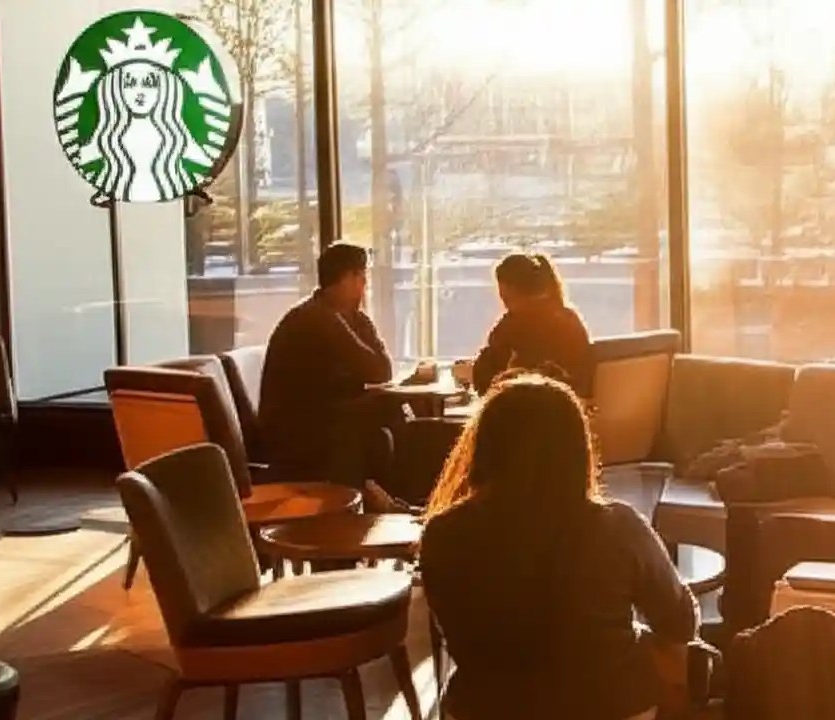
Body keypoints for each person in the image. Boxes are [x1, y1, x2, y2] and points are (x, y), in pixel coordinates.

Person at [420, 372, 700, 720]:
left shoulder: (442, 534)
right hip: (609, 707)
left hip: (487, 709)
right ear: (576, 450)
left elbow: (459, 634)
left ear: (485, 448)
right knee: (677, 656)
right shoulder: (616, 526)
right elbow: (679, 622)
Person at [259, 242, 406, 512]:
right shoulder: (316, 318)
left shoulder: (350, 318)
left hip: (327, 416)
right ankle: (370, 509)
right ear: (346, 278)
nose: (365, 284)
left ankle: (377, 503)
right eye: (361, 276)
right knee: (382, 416)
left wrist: (359, 322)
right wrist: (348, 325)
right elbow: (374, 370)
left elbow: (384, 369)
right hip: (297, 429)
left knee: (383, 425)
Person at [471, 253, 595, 399]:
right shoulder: (569, 319)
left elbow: (483, 377)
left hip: (526, 408)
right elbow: (583, 379)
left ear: (511, 290)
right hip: (565, 411)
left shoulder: (513, 325)